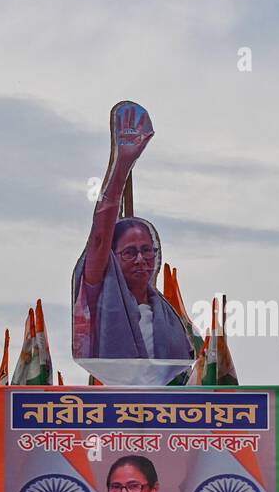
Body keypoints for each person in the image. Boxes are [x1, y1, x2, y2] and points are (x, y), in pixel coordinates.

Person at [71, 101, 195, 385]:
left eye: (146, 250)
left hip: (165, 417)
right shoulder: (100, 293)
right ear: (112, 258)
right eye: (129, 253)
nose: (140, 259)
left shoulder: (171, 317)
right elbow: (101, 234)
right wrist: (121, 166)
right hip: (117, 414)